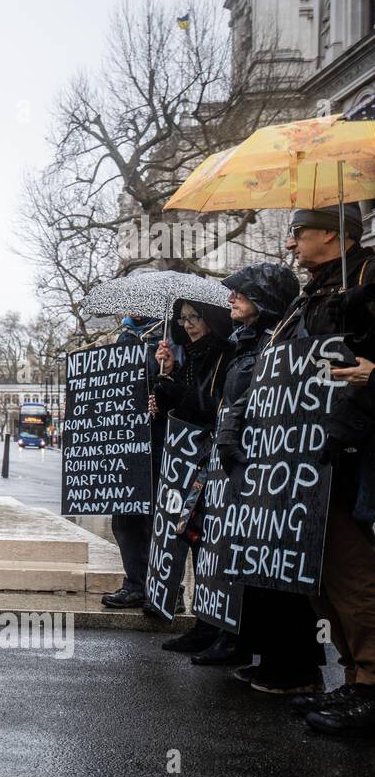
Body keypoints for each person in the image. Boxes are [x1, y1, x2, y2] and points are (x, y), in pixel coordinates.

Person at [268, 205, 375, 735]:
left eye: (298, 234)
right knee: (319, 575)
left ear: (333, 236)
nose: (290, 246)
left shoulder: (368, 276)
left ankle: (371, 687)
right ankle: (352, 681)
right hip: (304, 456)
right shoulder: (308, 294)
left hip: (351, 451)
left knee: (353, 573)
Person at [202, 263, 320, 683]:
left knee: (277, 567)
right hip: (249, 467)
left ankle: (294, 664)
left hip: (274, 467)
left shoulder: (280, 343)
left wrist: (233, 425)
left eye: (240, 292)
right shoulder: (246, 344)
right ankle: (271, 655)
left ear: (264, 299)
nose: (231, 299)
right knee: (256, 566)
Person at [149, 296, 232, 650]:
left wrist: (176, 391)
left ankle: (214, 626)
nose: (188, 324)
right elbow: (181, 405)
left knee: (209, 542)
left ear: (211, 318)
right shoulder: (189, 356)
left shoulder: (223, 356)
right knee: (195, 536)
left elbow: (211, 407)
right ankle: (204, 623)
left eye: (194, 317)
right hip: (191, 463)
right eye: (183, 318)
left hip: (212, 462)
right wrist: (164, 382)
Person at [102, 317, 164, 609]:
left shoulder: (169, 337)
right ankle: (135, 584)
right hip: (124, 443)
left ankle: (165, 589)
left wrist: (160, 363)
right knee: (125, 520)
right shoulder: (125, 337)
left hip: (157, 442)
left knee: (155, 521)